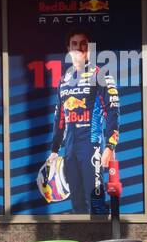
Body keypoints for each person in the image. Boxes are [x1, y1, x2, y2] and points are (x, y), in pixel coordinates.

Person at [47, 30, 120, 214]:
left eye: (83, 44)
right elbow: (60, 118)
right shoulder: (63, 81)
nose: (78, 48)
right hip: (70, 148)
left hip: (92, 146)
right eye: (74, 44)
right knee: (77, 202)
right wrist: (54, 150)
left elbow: (113, 112)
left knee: (95, 201)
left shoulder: (101, 76)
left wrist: (110, 147)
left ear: (89, 48)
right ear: (68, 49)